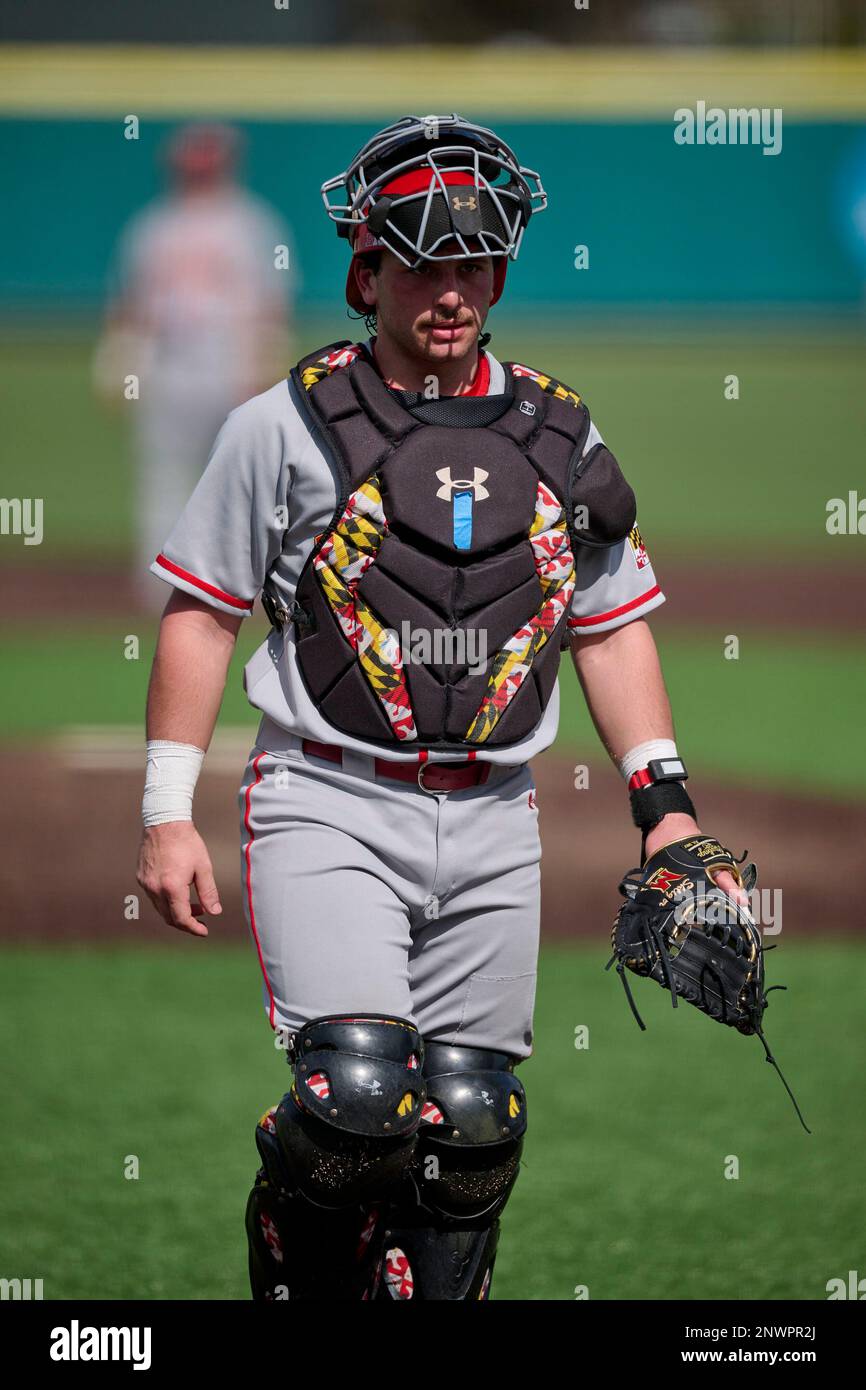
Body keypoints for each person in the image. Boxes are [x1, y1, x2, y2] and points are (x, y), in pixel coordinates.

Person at [136, 114, 746, 1300]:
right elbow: (201, 615)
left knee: (472, 1125)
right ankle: (295, 1270)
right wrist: (166, 812)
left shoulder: (562, 435)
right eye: (424, 263)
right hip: (325, 796)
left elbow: (610, 623)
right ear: (368, 272)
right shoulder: (282, 426)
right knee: (359, 1094)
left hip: (494, 817)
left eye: (474, 264)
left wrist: (663, 808)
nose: (452, 291)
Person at [95, 122, 295, 606]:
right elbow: (132, 304)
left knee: (243, 477)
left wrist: (261, 362)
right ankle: (160, 585)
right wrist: (120, 359)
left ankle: (244, 581)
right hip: (170, 369)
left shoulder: (249, 223)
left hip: (229, 367)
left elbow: (269, 303)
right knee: (165, 474)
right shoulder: (154, 225)